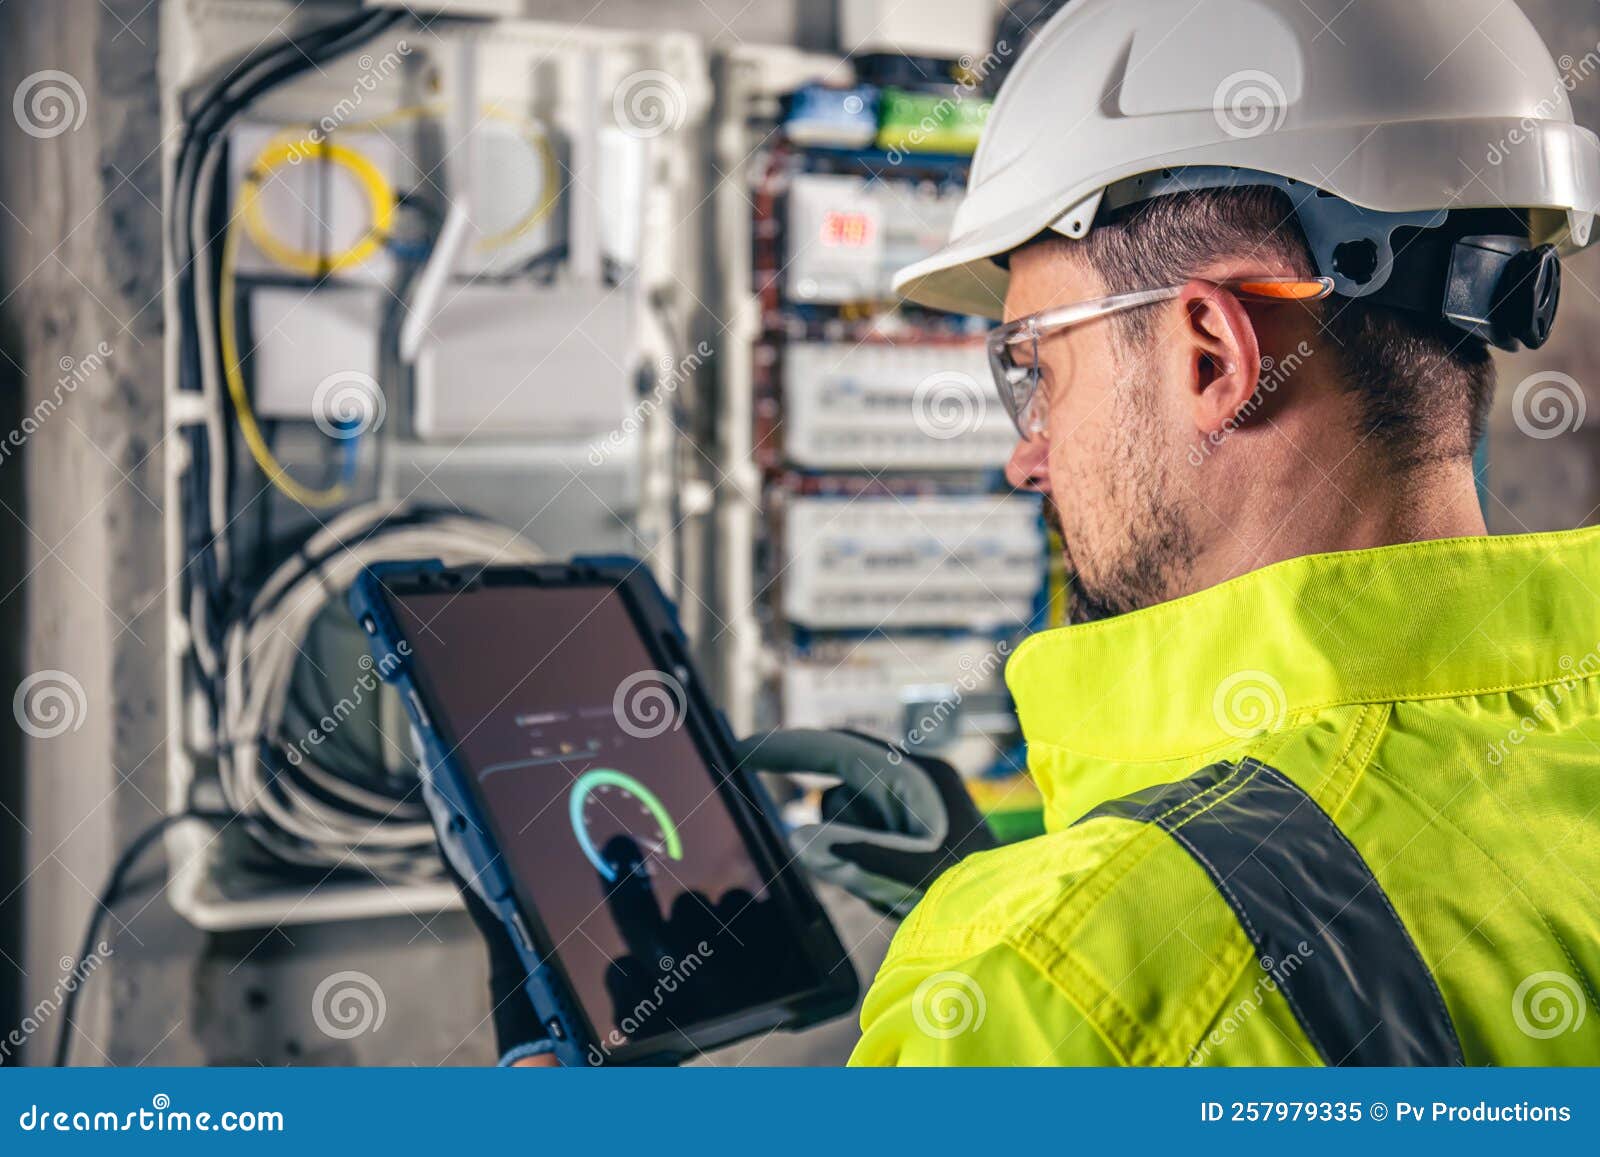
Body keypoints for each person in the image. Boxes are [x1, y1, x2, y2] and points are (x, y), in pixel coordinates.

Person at [461, 0, 1600, 1066]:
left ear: (1212, 355)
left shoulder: (1049, 992)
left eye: (1034, 366)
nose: (1027, 453)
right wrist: (1066, 867)